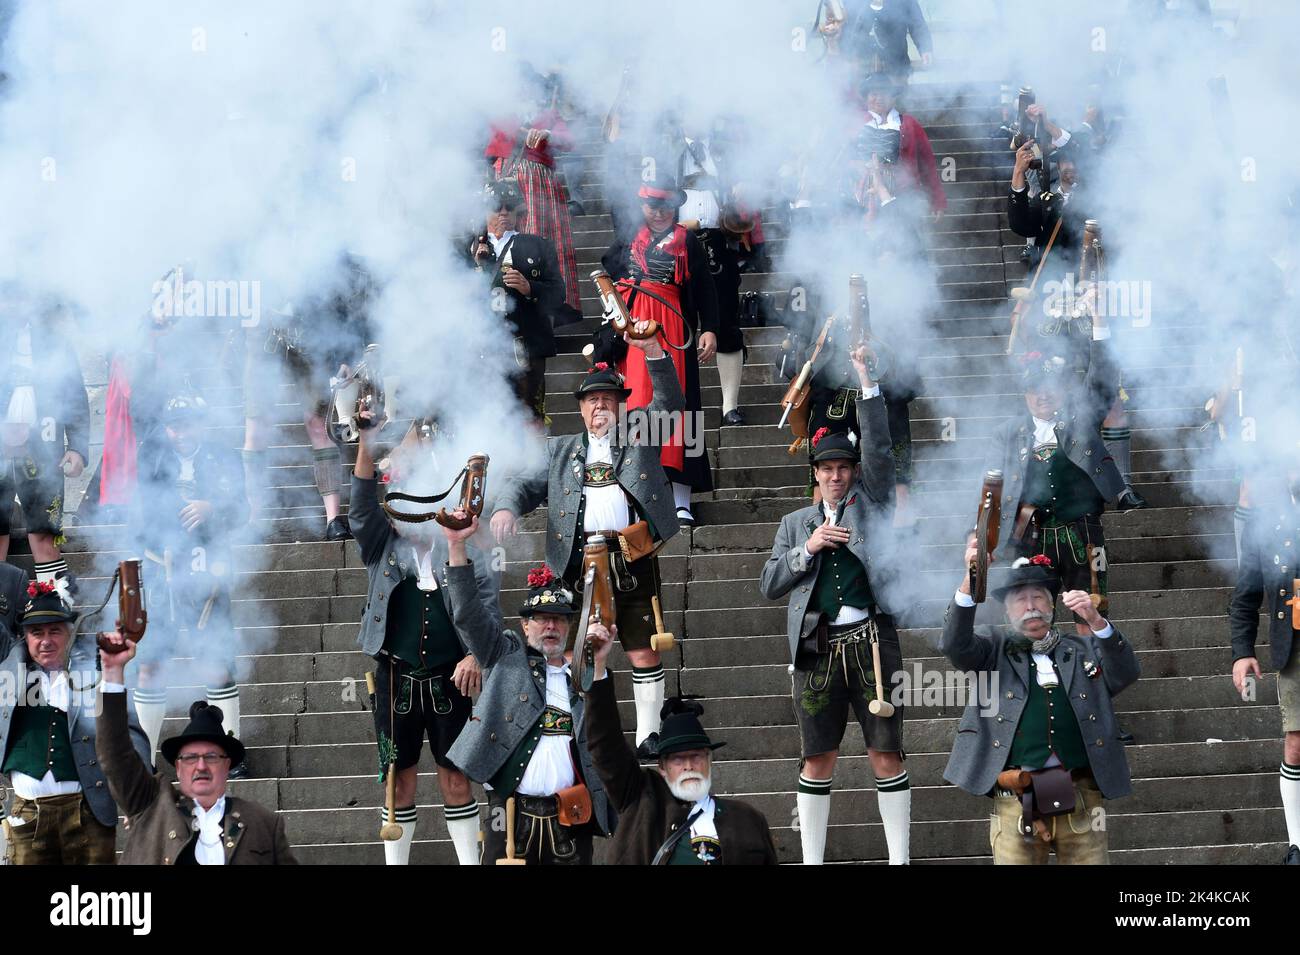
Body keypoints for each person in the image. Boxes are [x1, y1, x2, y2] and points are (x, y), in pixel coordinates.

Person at [492, 334, 683, 758]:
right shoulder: (558, 450)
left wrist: (653, 352)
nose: (600, 406)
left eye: (608, 399)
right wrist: (505, 508)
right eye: (592, 400)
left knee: (642, 646)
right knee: (577, 649)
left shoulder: (640, 434)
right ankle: (585, 733)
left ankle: (648, 735)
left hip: (632, 557)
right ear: (580, 409)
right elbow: (520, 485)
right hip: (577, 561)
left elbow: (670, 405)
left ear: (620, 405)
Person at [758, 370, 911, 866]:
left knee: (885, 753)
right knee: (817, 756)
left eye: (844, 467)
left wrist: (869, 387)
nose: (836, 475)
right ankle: (812, 862)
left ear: (853, 471)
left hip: (872, 640)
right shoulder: (793, 524)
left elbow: (883, 454)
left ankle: (899, 860)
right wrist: (808, 548)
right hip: (816, 647)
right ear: (815, 474)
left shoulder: (873, 504)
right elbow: (768, 584)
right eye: (827, 469)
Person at [351, 410, 491, 865]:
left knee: (456, 778)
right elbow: (358, 506)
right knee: (400, 778)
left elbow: (485, 611)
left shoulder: (463, 550)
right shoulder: (381, 546)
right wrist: (367, 440)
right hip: (396, 678)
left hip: (454, 680)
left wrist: (473, 655)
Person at [942, 551, 1140, 864]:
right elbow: (954, 644)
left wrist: (1096, 621)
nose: (1031, 606)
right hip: (1015, 799)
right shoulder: (991, 649)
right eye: (1020, 599)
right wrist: (971, 577)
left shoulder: (1084, 648)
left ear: (1052, 605)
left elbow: (1126, 673)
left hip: (1082, 798)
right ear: (1007, 611)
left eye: (1038, 597)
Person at [445, 559, 614, 864]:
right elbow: (468, 615)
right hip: (508, 813)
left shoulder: (584, 677)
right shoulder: (505, 656)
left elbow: (605, 736)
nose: (551, 626)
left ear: (569, 626)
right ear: (525, 625)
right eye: (541, 619)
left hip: (571, 817)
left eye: (559, 619)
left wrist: (598, 663)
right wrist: (457, 549)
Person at [583, 622, 777, 864]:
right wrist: (598, 668)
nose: (688, 766)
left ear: (709, 761)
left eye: (696, 756)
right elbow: (605, 745)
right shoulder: (641, 799)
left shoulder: (747, 819)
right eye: (677, 759)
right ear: (662, 768)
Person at [96, 632, 297, 864]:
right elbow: (113, 753)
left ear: (227, 764)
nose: (201, 766)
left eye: (211, 757)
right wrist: (111, 675)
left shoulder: (263, 823)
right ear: (178, 767)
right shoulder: (150, 806)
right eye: (191, 758)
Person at [129, 391, 248, 775]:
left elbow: (242, 508)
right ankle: (145, 760)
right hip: (161, 571)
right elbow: (138, 516)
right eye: (175, 424)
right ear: (166, 427)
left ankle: (229, 754)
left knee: (216, 661)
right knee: (150, 663)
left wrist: (211, 507)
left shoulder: (224, 456)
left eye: (189, 423)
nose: (182, 431)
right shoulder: (151, 457)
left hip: (209, 568)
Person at [597, 175, 720, 525]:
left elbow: (706, 289)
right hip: (633, 327)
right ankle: (638, 494)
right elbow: (609, 281)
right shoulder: (627, 240)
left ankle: (681, 499)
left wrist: (709, 329)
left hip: (671, 325)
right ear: (641, 206)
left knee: (679, 409)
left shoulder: (688, 240)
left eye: (666, 207)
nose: (659, 213)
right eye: (652, 206)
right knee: (635, 407)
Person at [0, 582, 151, 864]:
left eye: (54, 631)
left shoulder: (98, 673)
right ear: (24, 637)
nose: (46, 640)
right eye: (36, 633)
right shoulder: (8, 668)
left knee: (93, 906)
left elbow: (129, 734)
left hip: (88, 813)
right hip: (27, 815)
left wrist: (141, 796)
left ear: (70, 633)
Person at [988, 352, 1135, 636]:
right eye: (1035, 388)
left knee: (1091, 609)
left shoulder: (1082, 419)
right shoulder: (1006, 433)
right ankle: (1038, 677)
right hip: (1031, 537)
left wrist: (1099, 325)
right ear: (1024, 393)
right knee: (1032, 614)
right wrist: (981, 535)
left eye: (1050, 387)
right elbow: (991, 488)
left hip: (1082, 534)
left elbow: (1103, 382)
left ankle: (1094, 675)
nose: (1043, 395)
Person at [242, 254, 375, 542]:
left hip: (315, 334)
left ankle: (332, 519)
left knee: (319, 425)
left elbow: (347, 289)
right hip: (267, 335)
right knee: (256, 428)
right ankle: (253, 518)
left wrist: (347, 353)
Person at [1228, 465, 1300, 864]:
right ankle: (1298, 844)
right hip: (1297, 643)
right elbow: (1245, 598)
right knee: (1297, 741)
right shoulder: (1266, 524)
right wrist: (1242, 652)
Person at [0, 302, 89, 591]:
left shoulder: (54, 342)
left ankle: (52, 604)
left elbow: (74, 395)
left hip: (43, 446)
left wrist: (77, 448)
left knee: (44, 532)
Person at [464, 179, 564, 424]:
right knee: (485, 413)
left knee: (529, 413)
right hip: (481, 346)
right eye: (497, 206)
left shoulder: (538, 245)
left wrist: (530, 288)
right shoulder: (465, 250)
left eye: (509, 206)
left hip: (526, 343)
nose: (504, 212)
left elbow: (559, 294)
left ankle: (533, 462)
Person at [485, 75, 582, 324]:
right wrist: (526, 131)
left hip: (539, 183)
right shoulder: (502, 110)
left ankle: (546, 303)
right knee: (504, 236)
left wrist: (547, 133)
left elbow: (569, 141)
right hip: (508, 178)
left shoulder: (547, 113)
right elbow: (498, 135)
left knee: (540, 240)